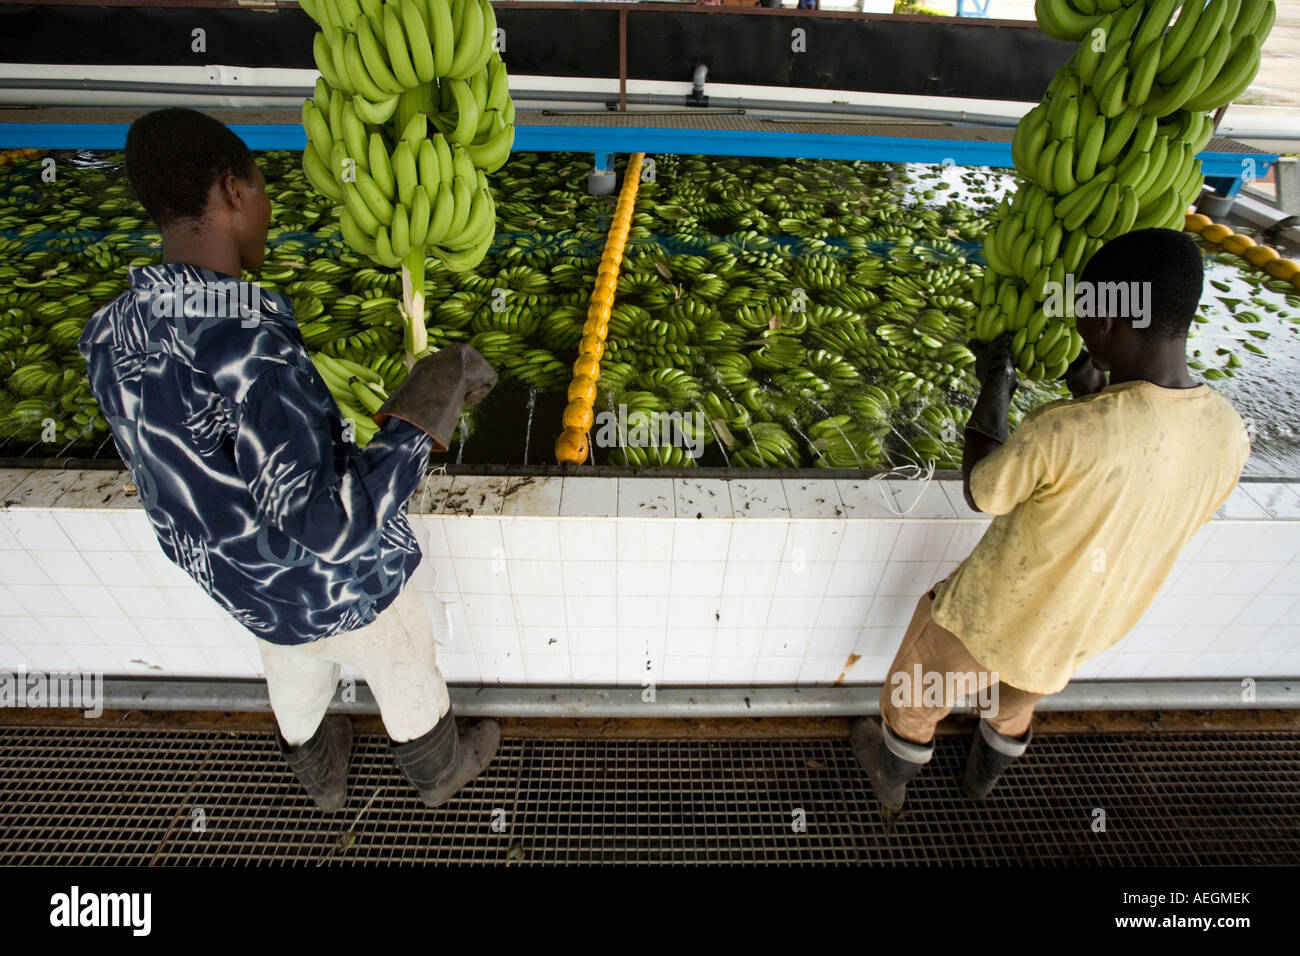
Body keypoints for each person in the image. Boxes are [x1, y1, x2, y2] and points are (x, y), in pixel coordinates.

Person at [78, 108, 500, 812]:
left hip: (242, 588)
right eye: (263, 187)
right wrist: (431, 400)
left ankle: (324, 781)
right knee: (404, 664)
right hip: (337, 590)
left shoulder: (110, 330)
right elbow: (334, 525)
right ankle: (439, 771)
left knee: (291, 677)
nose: (270, 207)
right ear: (233, 191)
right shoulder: (249, 346)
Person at [852, 228, 1250, 817]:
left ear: (1111, 324)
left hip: (992, 618)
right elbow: (1140, 478)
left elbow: (982, 490)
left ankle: (892, 775)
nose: (1081, 330)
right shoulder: (1228, 430)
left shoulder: (1065, 428)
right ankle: (983, 776)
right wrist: (1102, 390)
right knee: (1018, 697)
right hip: (1087, 624)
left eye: (1087, 317)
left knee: (915, 696)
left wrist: (996, 385)